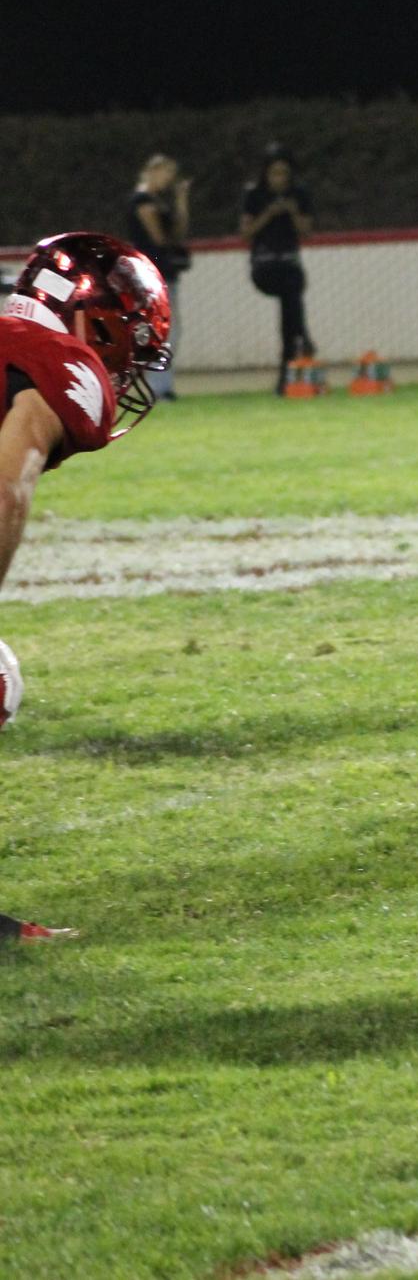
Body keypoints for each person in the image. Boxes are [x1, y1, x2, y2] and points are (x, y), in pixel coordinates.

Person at [0, 234, 173, 941]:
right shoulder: (59, 362)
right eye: (123, 338)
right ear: (90, 319)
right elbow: (8, 481)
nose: (126, 362)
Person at [240, 145, 316, 393]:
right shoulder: (254, 195)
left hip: (289, 263)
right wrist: (268, 214)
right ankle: (303, 337)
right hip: (265, 265)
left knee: (291, 300)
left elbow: (306, 231)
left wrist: (293, 212)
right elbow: (245, 233)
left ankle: (288, 368)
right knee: (291, 294)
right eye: (274, 173)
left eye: (284, 173)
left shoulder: (299, 194)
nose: (279, 179)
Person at [124, 154, 189, 401]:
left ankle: (160, 385)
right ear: (153, 171)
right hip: (152, 271)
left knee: (167, 328)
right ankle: (157, 386)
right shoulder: (141, 201)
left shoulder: (158, 202)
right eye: (166, 174)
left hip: (162, 271)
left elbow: (178, 231)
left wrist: (182, 201)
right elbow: (160, 238)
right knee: (161, 328)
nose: (168, 181)